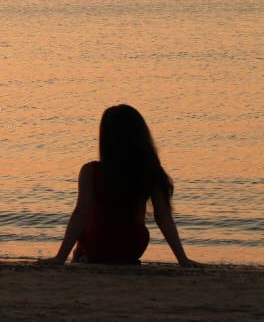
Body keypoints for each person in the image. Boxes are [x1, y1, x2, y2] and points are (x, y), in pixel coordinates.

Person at [38, 104, 200, 266]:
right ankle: (83, 255)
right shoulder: (150, 171)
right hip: (133, 246)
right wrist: (182, 259)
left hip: (97, 243)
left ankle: (78, 257)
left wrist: (60, 257)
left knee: (88, 222)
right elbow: (163, 216)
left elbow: (81, 213)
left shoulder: (91, 171)